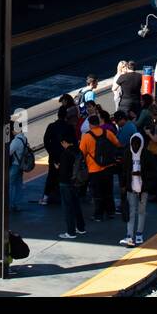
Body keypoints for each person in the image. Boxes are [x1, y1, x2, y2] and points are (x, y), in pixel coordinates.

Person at [79, 108, 120, 220]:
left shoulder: (86, 137)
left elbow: (81, 153)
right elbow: (117, 144)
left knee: (97, 193)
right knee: (108, 191)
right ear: (98, 123)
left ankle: (98, 214)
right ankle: (110, 212)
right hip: (108, 166)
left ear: (90, 125)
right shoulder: (108, 133)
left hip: (94, 169)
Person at [119, 132, 157, 247]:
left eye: (137, 145)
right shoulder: (129, 154)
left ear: (141, 144)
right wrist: (123, 185)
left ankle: (136, 234)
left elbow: (153, 171)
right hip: (133, 187)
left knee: (139, 211)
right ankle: (132, 235)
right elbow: (123, 171)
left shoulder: (145, 155)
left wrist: (140, 174)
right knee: (135, 211)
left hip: (142, 188)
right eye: (133, 144)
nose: (135, 147)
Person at [55, 107, 88, 239]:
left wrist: (58, 167)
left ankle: (71, 231)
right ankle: (81, 228)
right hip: (76, 181)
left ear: (64, 142)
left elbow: (63, 169)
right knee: (76, 205)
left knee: (68, 207)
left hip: (66, 182)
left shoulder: (66, 153)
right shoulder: (77, 151)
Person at [41, 99, 72, 206]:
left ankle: (45, 197)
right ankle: (65, 198)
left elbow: (45, 141)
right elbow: (73, 141)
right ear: (66, 116)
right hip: (65, 156)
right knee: (66, 177)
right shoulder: (69, 127)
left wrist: (50, 152)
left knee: (51, 176)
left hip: (53, 156)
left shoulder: (51, 126)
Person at [8, 120, 28, 212]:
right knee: (18, 184)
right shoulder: (24, 138)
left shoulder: (16, 141)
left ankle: (10, 203)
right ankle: (17, 204)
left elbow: (9, 152)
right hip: (21, 164)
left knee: (10, 184)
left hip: (15, 164)